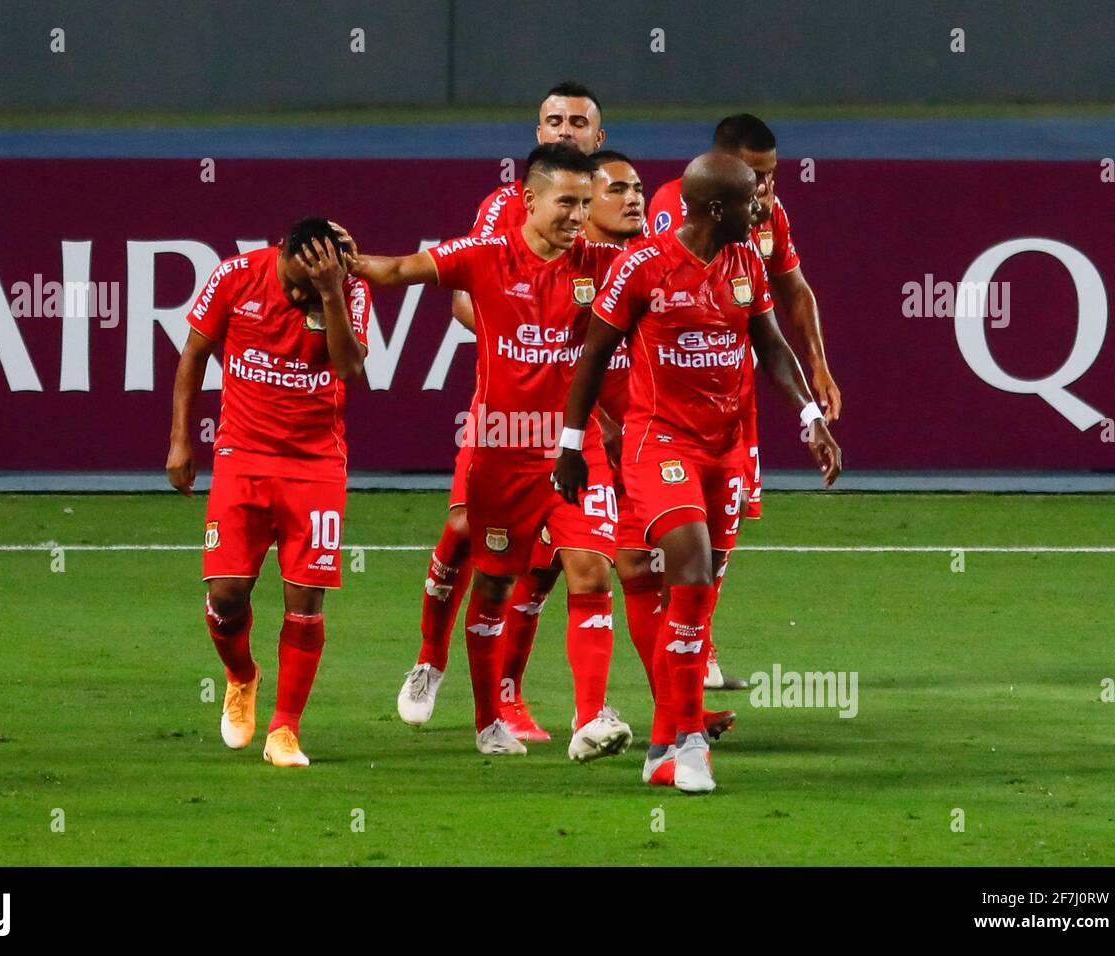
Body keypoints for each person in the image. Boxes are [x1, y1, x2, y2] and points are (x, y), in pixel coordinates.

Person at [554, 153, 842, 793]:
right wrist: (572, 445)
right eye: (749, 200)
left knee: (696, 596)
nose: (760, 209)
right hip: (659, 443)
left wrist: (808, 418)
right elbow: (594, 352)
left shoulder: (745, 264)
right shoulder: (644, 266)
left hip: (726, 450)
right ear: (716, 208)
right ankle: (687, 744)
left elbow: (770, 343)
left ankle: (661, 744)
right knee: (687, 566)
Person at [354, 144, 631, 760]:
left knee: (591, 568)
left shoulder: (603, 262)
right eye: (566, 203)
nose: (577, 216)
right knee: (494, 588)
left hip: (572, 442)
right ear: (529, 201)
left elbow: (659, 268)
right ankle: (481, 715)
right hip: (501, 443)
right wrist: (345, 264)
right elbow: (399, 270)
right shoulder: (485, 256)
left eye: (586, 204)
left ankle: (591, 717)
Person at [398, 82, 607, 741]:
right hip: (503, 418)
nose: (565, 129)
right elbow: (471, 289)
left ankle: (508, 703)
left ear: (599, 139)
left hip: (571, 425)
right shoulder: (502, 211)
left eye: (578, 122)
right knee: (464, 531)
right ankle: (431, 659)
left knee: (550, 564)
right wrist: (517, 326)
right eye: (553, 119)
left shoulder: (608, 214)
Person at [646, 112, 841, 690]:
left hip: (731, 403)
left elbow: (792, 293)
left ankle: (695, 646)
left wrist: (818, 367)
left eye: (774, 175)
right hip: (664, 407)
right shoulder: (670, 210)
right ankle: (670, 663)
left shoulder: (769, 216)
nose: (768, 190)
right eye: (756, 177)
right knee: (667, 542)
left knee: (722, 535)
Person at [166, 218, 369, 768]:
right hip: (242, 457)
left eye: (314, 283)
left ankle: (285, 729)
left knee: (305, 601)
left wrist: (330, 294)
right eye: (298, 280)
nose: (299, 293)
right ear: (281, 251)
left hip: (316, 464)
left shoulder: (345, 287)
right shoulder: (233, 276)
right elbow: (193, 355)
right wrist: (181, 440)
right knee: (227, 594)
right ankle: (241, 675)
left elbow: (349, 367)